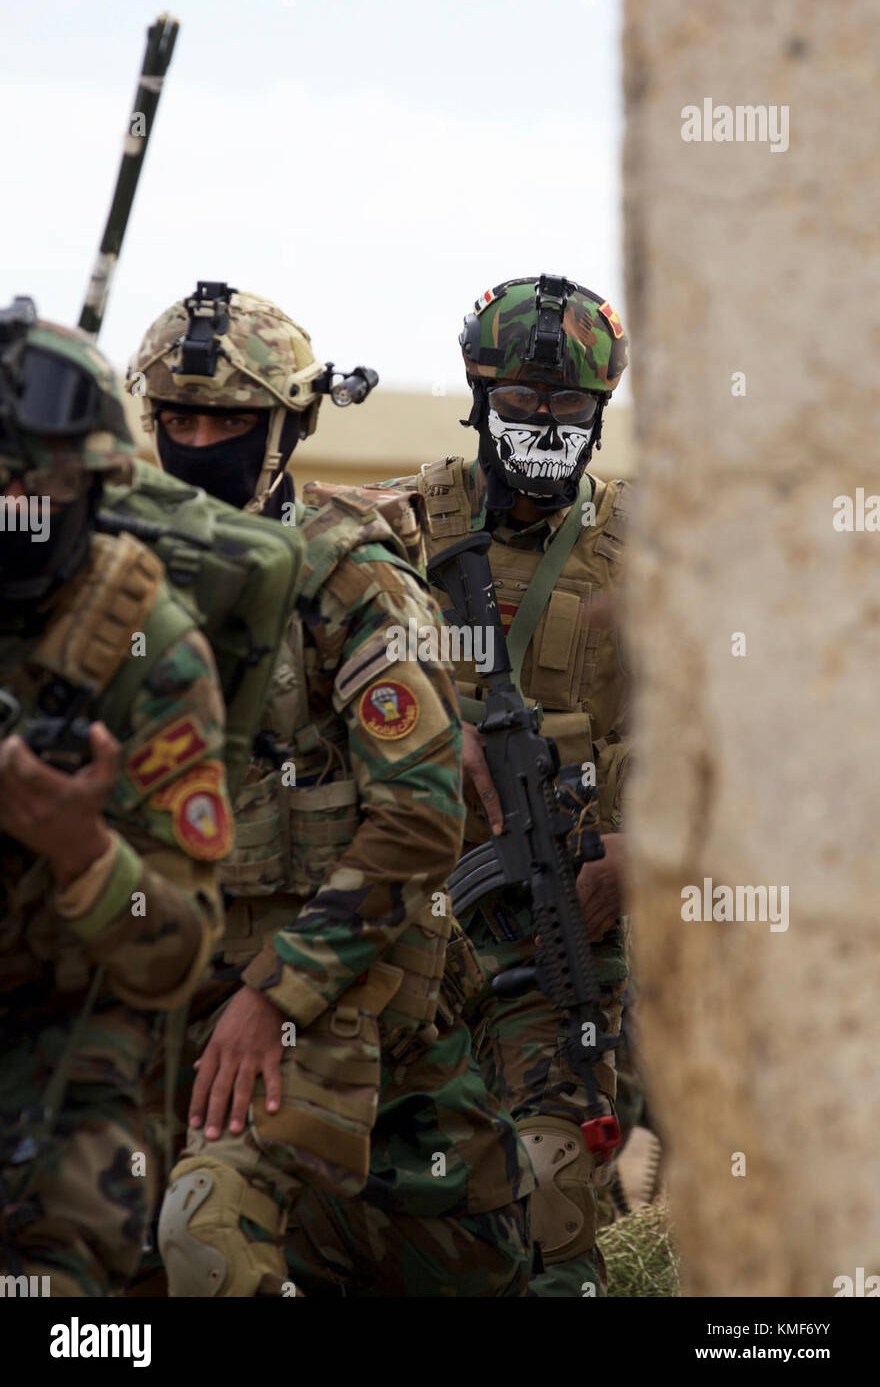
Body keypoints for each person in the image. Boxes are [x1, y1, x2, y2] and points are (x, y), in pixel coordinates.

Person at [127, 283, 535, 1297]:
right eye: (178, 418)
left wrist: (276, 993)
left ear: (287, 426)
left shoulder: (347, 579)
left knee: (206, 1235)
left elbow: (420, 814)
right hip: (155, 988)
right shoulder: (118, 578)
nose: (199, 440)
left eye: (228, 420)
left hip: (322, 995)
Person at [382, 273, 632, 1295]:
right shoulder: (394, 523)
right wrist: (432, 729)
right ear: (478, 395)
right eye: (520, 404)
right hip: (397, 928)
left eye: (567, 408)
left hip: (564, 931)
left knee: (557, 1190)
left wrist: (641, 847)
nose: (542, 422)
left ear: (599, 413)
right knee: (385, 1190)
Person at [0, 300, 229, 1296]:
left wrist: (83, 850)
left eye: (33, 480)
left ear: (90, 486)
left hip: (62, 1028)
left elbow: (175, 944)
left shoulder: (149, 649)